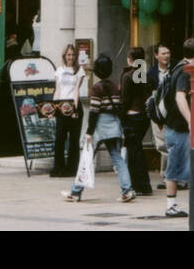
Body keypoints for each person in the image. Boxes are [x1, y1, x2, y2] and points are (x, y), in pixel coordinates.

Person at [63, 54, 135, 203]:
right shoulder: (115, 86)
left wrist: (89, 132)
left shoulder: (96, 88)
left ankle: (76, 192)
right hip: (114, 123)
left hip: (99, 125)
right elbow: (119, 107)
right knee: (117, 159)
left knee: (87, 158)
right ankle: (127, 190)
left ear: (96, 71)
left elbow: (94, 112)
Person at [162, 38, 194, 218]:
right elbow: (180, 97)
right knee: (175, 166)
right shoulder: (186, 71)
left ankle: (175, 203)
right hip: (178, 128)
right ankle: (171, 205)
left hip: (172, 125)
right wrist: (191, 120)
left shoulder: (177, 66)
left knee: (178, 165)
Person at [120, 46, 154, 196]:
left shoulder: (128, 76)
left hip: (132, 116)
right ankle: (141, 184)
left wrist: (121, 117)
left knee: (134, 152)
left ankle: (140, 185)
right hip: (143, 116)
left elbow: (125, 100)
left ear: (130, 59)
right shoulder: (145, 75)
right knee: (136, 150)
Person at [51, 44, 83, 178]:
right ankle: (58, 168)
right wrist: (52, 108)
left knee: (74, 140)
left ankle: (72, 169)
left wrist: (74, 110)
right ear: (64, 55)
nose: (70, 57)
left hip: (73, 106)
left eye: (73, 55)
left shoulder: (79, 71)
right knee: (59, 138)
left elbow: (76, 90)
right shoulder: (59, 71)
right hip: (61, 107)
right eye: (68, 55)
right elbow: (57, 90)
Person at [150, 43, 172, 189]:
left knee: (171, 144)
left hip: (172, 113)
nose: (166, 56)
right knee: (162, 145)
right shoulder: (151, 73)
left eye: (168, 53)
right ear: (156, 56)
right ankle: (167, 175)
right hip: (158, 113)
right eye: (163, 53)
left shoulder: (175, 70)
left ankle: (169, 175)